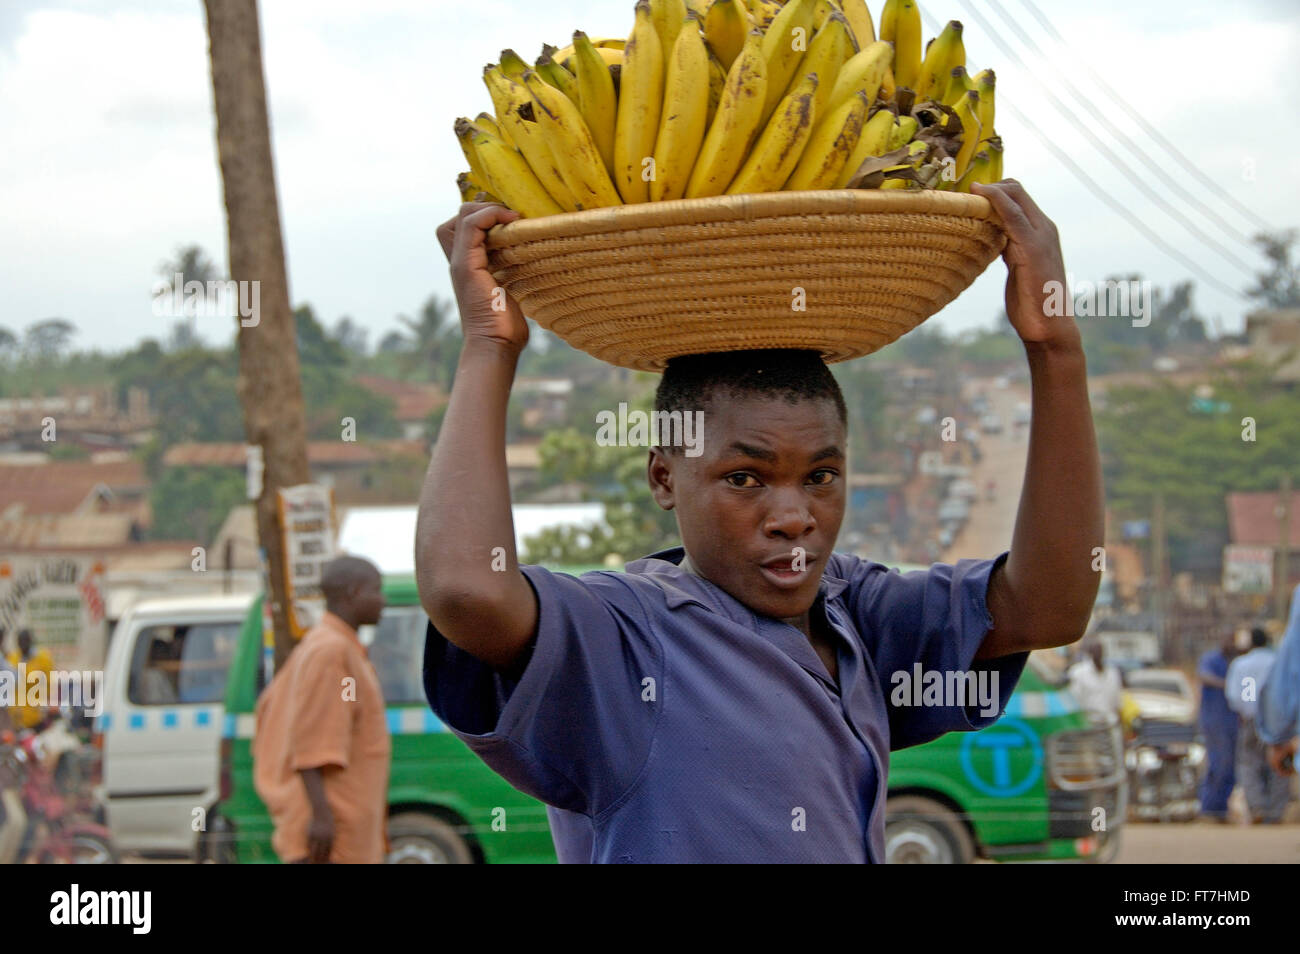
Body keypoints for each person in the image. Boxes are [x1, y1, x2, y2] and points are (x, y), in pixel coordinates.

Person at [418, 181, 1103, 863]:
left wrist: (1055, 350)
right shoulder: (626, 642)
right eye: (745, 478)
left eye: (821, 477)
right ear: (664, 477)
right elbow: (467, 590)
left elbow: (1048, 607)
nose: (792, 517)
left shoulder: (854, 614)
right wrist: (488, 345)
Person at [252, 556, 391, 863]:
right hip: (330, 839)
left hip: (341, 830)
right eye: (377, 591)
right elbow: (312, 744)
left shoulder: (332, 645)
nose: (383, 601)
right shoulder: (330, 651)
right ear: (354, 593)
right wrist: (321, 819)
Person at [1225, 626, 1288, 823]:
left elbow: (1237, 697)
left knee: (1249, 763)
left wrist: (1248, 710)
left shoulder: (1243, 664)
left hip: (1251, 719)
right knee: (1279, 762)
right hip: (1277, 719)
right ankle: (1276, 811)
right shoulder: (1277, 661)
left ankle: (1257, 806)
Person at [1196, 634, 1241, 822]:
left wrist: (1248, 707)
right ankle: (1209, 808)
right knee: (1218, 764)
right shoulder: (1212, 659)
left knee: (1233, 766)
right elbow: (1203, 677)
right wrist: (1227, 685)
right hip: (1216, 721)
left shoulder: (1240, 663)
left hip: (1234, 721)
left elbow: (1247, 693)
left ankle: (1222, 808)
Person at [1259, 584, 1300, 780]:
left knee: (1249, 766)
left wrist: (1277, 740)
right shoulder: (1269, 659)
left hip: (1264, 722)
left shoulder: (1241, 663)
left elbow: (1281, 695)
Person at [5, 629, 54, 731]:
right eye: (20, 642)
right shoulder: (13, 658)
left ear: (30, 641)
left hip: (36, 716)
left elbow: (49, 685)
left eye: (25, 641)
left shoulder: (43, 658)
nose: (22, 645)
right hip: (16, 716)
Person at [1067, 643, 1123, 723]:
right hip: (1089, 723)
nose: (1098, 654)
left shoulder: (1112, 673)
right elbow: (1074, 699)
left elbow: (1118, 700)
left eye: (1100, 651)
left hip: (1110, 722)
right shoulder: (1078, 672)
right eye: (1095, 651)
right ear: (1089, 653)